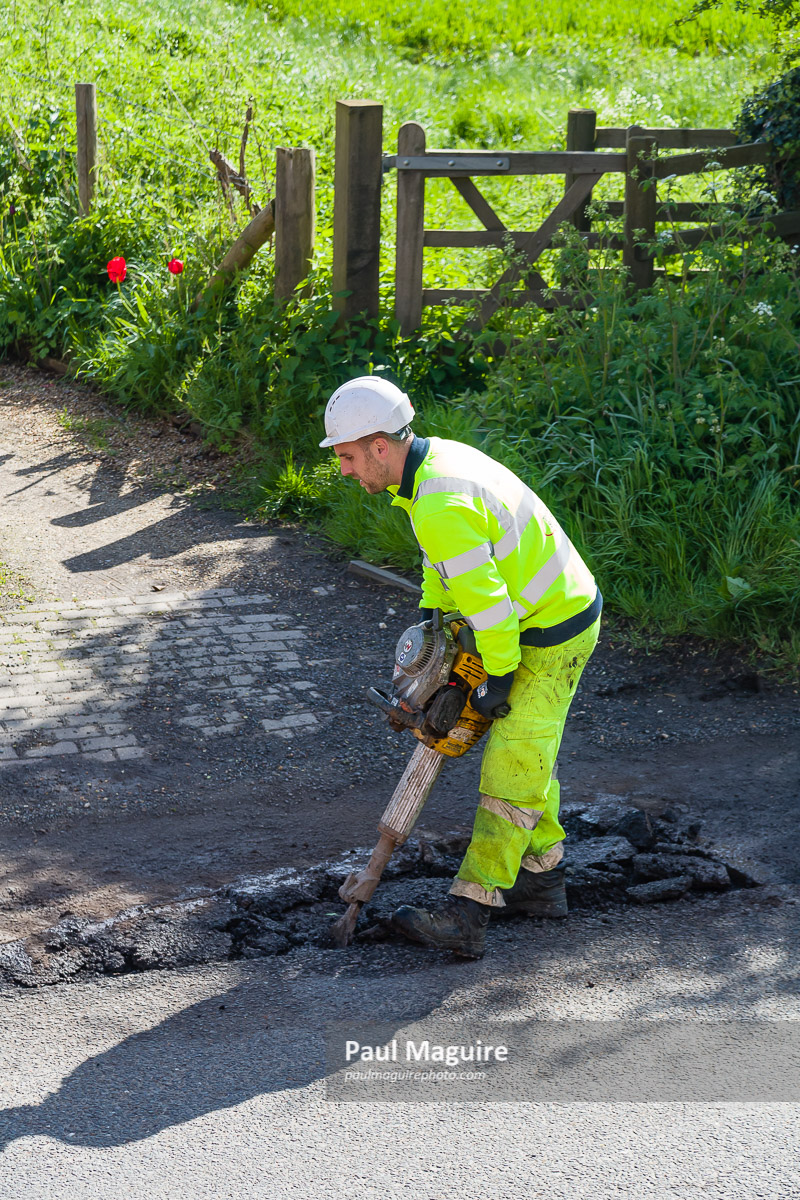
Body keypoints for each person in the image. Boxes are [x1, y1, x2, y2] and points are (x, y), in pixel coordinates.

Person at [320, 376, 602, 958]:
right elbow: (443, 566)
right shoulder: (431, 468)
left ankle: (469, 913)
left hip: (552, 631)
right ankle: (541, 877)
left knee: (511, 765)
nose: (344, 469)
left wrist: (493, 681)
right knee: (529, 754)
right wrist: (432, 618)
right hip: (532, 615)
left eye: (347, 456)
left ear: (379, 446)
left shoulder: (441, 502)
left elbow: (491, 609)